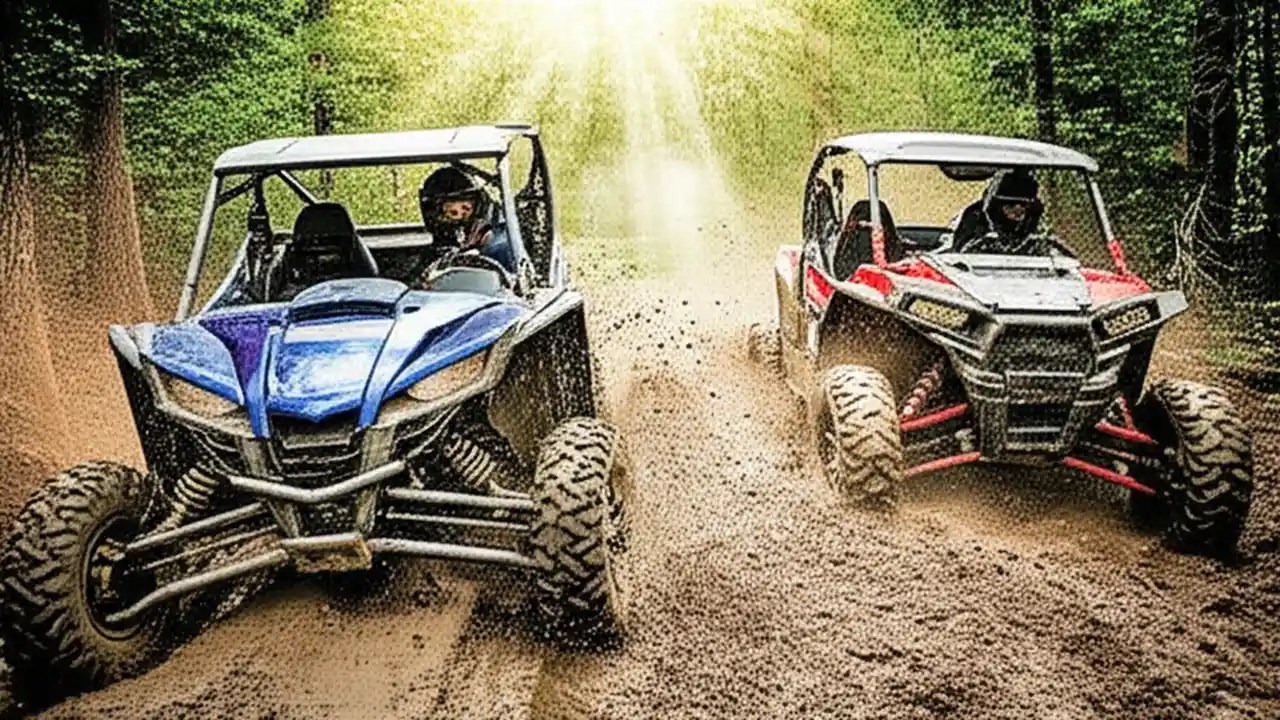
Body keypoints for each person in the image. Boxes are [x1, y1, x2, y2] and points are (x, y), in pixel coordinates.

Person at [950, 169, 1044, 253]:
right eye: (1011, 204)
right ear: (998, 204)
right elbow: (961, 252)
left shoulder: (1033, 221)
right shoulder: (977, 217)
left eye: (1024, 204)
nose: (1018, 209)